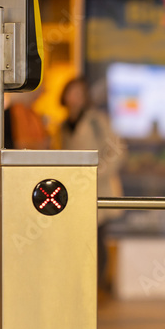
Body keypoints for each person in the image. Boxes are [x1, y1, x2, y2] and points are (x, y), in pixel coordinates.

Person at [60, 77, 126, 287]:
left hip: (98, 188)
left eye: (79, 93)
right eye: (72, 92)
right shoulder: (63, 124)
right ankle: (82, 283)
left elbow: (117, 150)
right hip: (74, 190)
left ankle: (97, 285)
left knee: (97, 238)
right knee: (79, 238)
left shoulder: (96, 120)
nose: (75, 97)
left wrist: (96, 173)